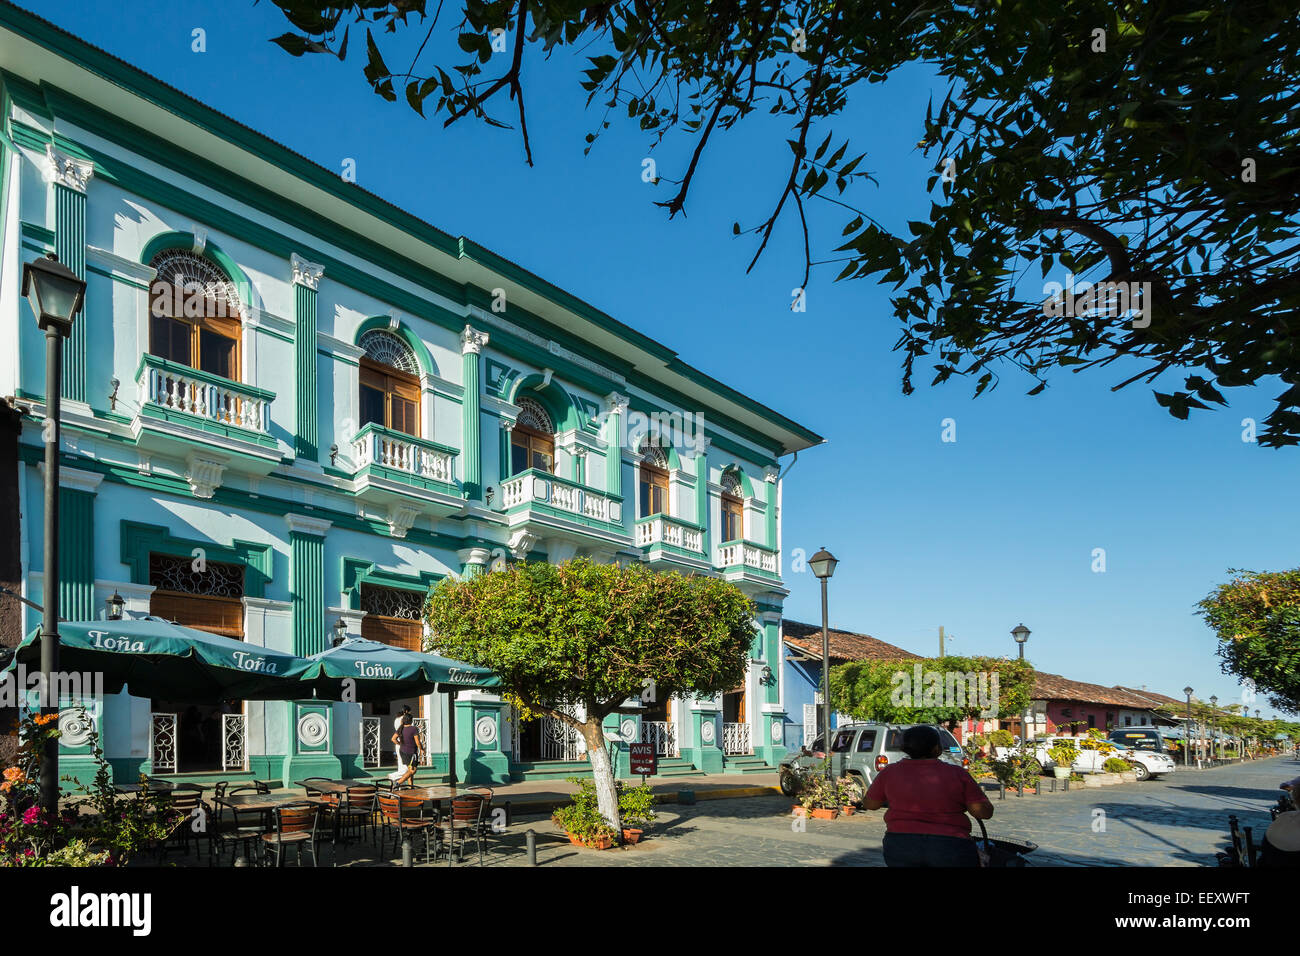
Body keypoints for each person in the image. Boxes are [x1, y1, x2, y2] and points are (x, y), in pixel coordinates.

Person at [863, 724, 994, 867]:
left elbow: (871, 804)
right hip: (950, 845)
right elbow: (983, 812)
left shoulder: (889, 772)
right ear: (937, 749)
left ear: (903, 749)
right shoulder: (957, 773)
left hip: (900, 844)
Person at [392, 713, 423, 788]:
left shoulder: (401, 728)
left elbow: (393, 739)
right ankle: (398, 783)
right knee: (413, 770)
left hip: (402, 752)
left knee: (409, 770)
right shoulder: (414, 729)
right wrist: (422, 749)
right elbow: (417, 742)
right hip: (411, 753)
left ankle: (410, 787)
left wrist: (400, 744)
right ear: (410, 720)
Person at [387, 707, 413, 784]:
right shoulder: (406, 720)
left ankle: (400, 784)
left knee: (401, 765)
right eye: (410, 712)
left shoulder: (397, 719)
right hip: (404, 744)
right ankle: (393, 776)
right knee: (407, 768)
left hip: (399, 743)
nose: (411, 713)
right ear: (406, 711)